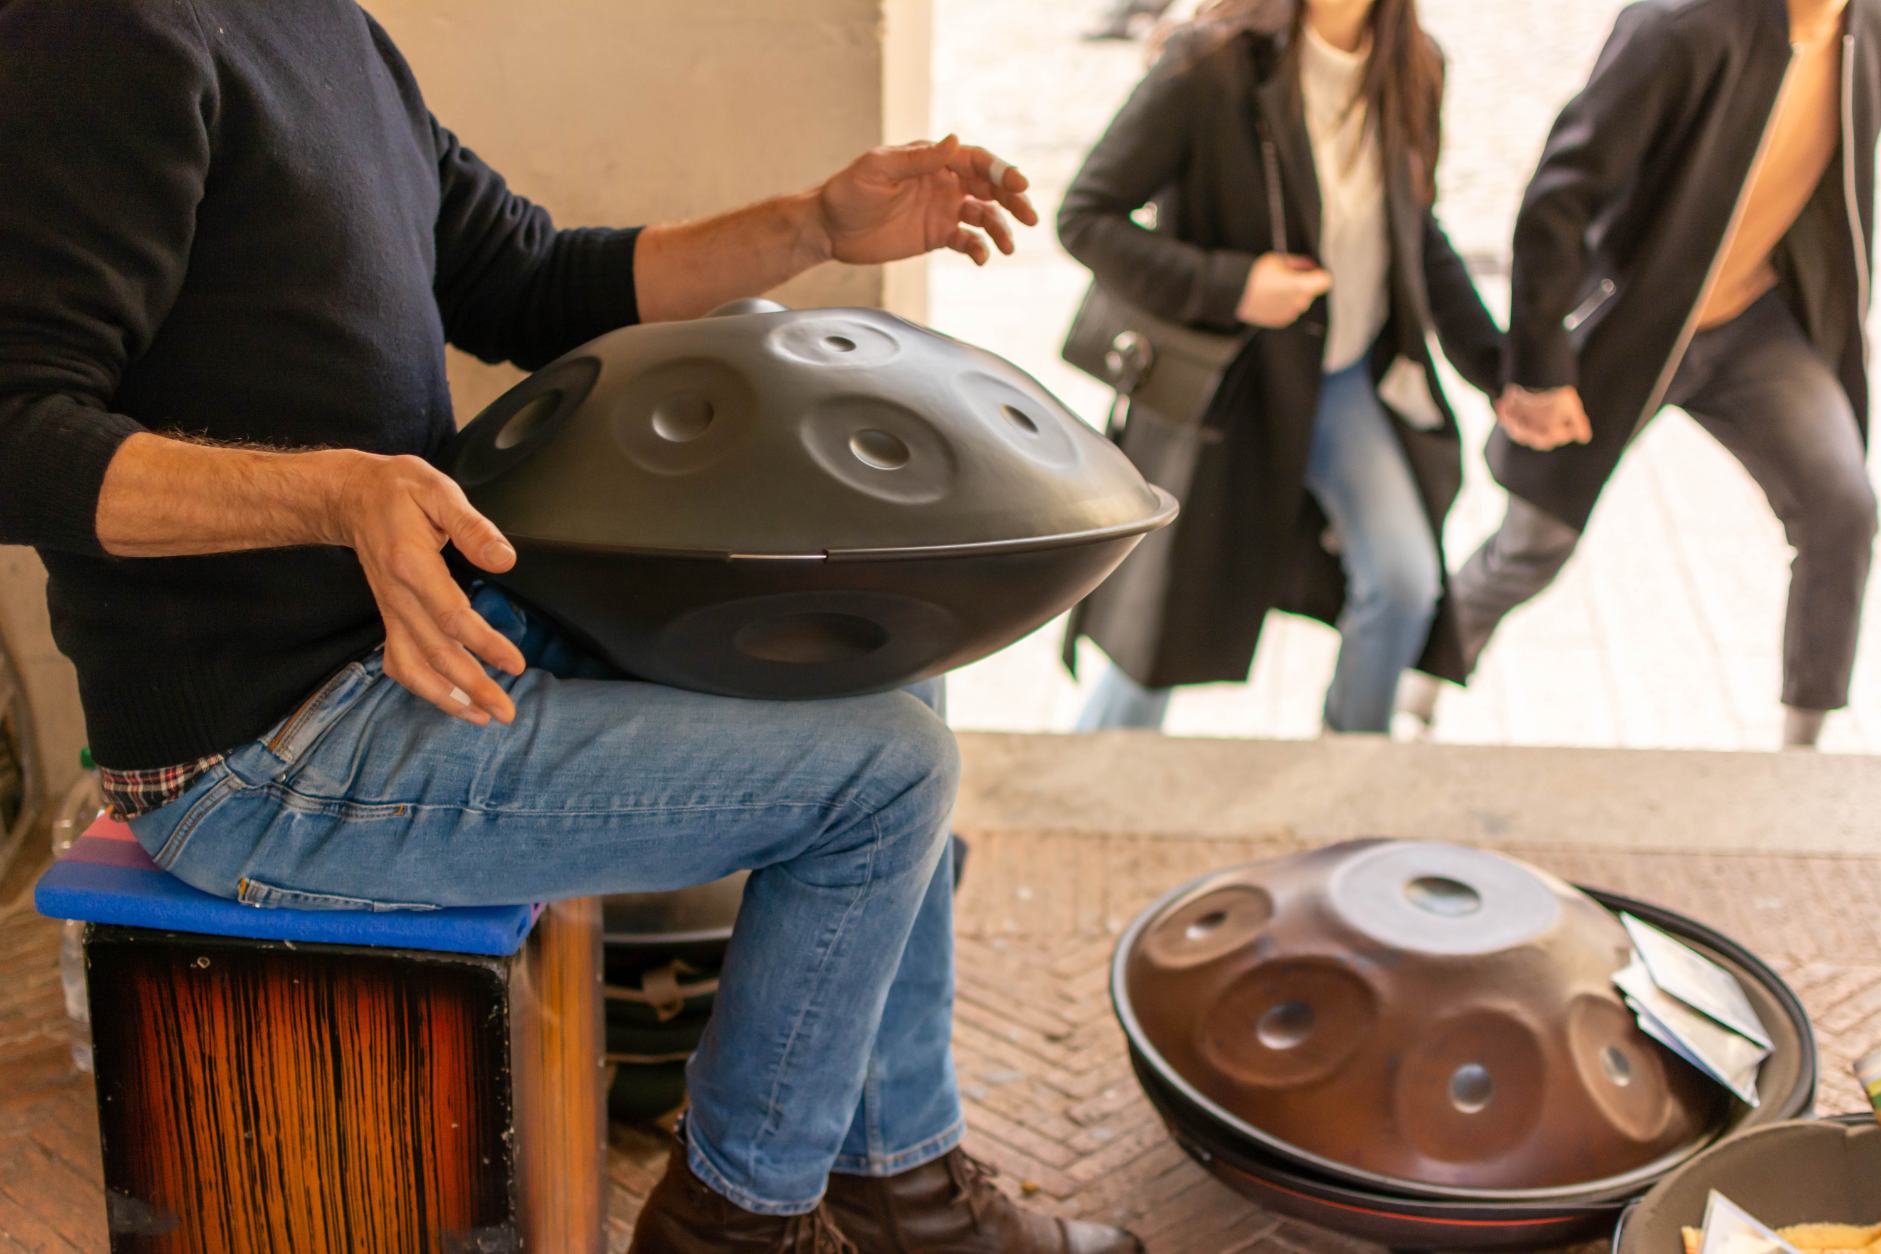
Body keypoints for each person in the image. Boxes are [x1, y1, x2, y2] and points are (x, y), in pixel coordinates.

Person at [0, 2, 1143, 1251]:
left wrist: (815, 224)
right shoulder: (101, 31)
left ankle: (896, 1184)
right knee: (885, 779)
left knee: (885, 671)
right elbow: (15, 433)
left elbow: (532, 280)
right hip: (264, 748)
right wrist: (333, 490)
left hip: (427, 635)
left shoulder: (326, 30)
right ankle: (736, 1223)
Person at [1399, 0, 1881, 749]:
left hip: (1755, 320)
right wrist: (1538, 365)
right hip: (1635, 326)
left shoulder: (1864, 29)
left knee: (1841, 508)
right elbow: (1559, 197)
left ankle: (1801, 753)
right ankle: (1413, 694)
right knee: (1533, 544)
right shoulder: (1681, 26)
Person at [1059, 0, 1504, 735]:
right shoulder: (1209, 65)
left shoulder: (1417, 68)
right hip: (1227, 392)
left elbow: (1414, 228)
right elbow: (1085, 217)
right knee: (1155, 640)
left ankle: (1347, 772)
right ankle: (1087, 793)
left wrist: (1498, 367)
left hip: (1344, 384)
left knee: (1403, 584)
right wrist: (1234, 287)